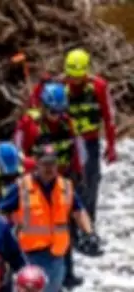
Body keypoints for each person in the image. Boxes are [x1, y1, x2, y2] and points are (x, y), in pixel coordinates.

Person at [28, 48, 117, 233]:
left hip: (89, 140)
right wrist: (40, 85)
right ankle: (65, 224)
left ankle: (88, 225)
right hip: (67, 140)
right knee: (65, 181)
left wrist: (111, 145)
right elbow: (38, 102)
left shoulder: (98, 86)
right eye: (71, 76)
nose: (74, 81)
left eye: (78, 77)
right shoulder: (60, 84)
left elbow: (109, 116)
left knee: (90, 181)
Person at [0, 146, 101, 292]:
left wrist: (89, 233)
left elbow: (79, 212)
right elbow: (1, 213)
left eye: (52, 163)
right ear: (36, 164)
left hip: (57, 256)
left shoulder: (65, 187)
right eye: (45, 164)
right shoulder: (22, 187)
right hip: (30, 256)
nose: (49, 168)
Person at [15, 82, 88, 290]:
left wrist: (79, 173)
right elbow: (19, 153)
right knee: (33, 228)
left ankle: (67, 274)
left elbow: (77, 148)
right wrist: (35, 168)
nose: (56, 115)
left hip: (61, 181)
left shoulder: (68, 123)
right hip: (35, 183)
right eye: (53, 111)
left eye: (60, 111)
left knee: (63, 228)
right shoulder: (29, 124)